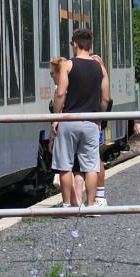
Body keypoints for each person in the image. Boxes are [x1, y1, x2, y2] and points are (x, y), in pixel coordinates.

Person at [50, 28, 109, 208]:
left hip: (69, 121)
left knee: (65, 165)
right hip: (91, 121)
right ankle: (90, 204)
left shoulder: (68, 65)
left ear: (75, 44)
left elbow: (60, 93)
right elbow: (105, 97)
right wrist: (100, 116)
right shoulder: (99, 66)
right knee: (91, 166)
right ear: (90, 45)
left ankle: (68, 205)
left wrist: (56, 117)